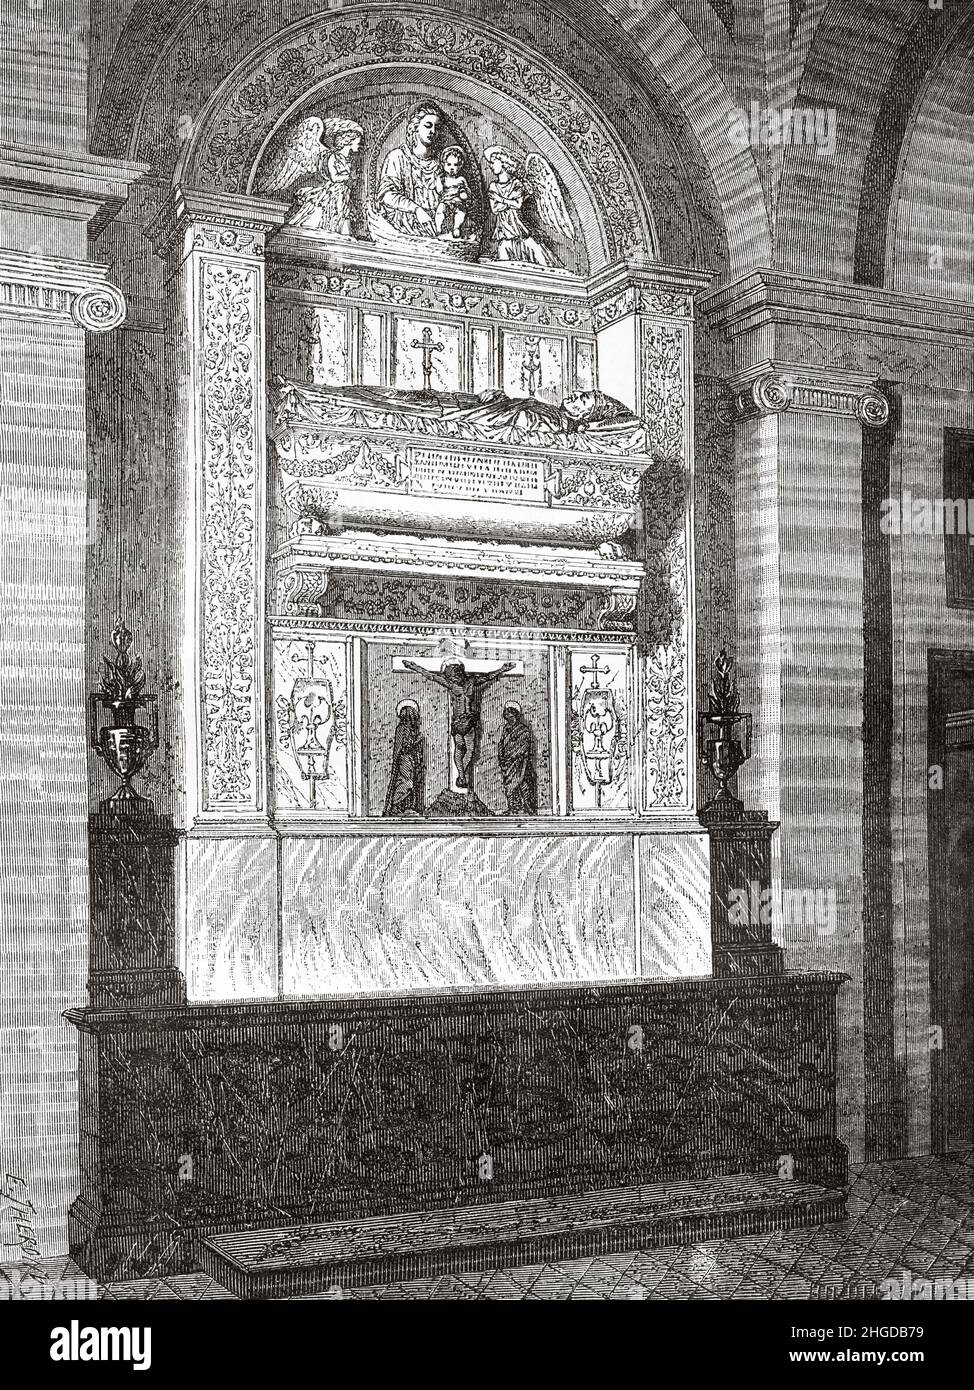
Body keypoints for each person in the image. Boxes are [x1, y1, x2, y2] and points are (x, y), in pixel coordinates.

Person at [400, 659, 517, 790]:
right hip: (460, 721)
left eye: (457, 672)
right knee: (461, 748)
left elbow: (488, 677)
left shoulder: (469, 682)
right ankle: (461, 775)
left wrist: (503, 669)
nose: (455, 675)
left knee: (469, 750)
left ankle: (461, 776)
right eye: (453, 672)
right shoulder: (455, 684)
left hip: (468, 721)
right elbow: (431, 676)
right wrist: (414, 666)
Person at [377, 104, 443, 238]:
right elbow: (387, 195)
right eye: (428, 125)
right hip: (404, 226)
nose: (433, 131)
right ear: (416, 127)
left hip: (434, 228)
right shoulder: (397, 157)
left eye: (437, 127)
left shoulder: (439, 164)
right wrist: (416, 210)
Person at [484, 146, 556, 267]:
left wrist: (500, 199)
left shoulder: (516, 183)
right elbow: (495, 209)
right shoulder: (493, 186)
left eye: (493, 162)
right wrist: (509, 202)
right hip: (504, 227)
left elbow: (517, 204)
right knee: (503, 259)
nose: (491, 166)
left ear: (503, 163)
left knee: (537, 253)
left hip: (518, 225)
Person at [498, 703, 538, 815]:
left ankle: (529, 807)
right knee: (509, 786)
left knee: (523, 784)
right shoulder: (506, 729)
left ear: (515, 715)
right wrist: (502, 756)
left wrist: (512, 755)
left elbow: (523, 747)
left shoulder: (523, 730)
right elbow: (502, 743)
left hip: (520, 763)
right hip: (507, 763)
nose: (509, 718)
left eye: (511, 715)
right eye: (507, 715)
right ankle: (513, 807)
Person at [435, 146, 471, 239]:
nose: (452, 168)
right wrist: (439, 186)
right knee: (439, 211)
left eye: (455, 165)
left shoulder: (460, 179)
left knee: (460, 212)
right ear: (443, 165)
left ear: (460, 166)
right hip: (445, 201)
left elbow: (465, 190)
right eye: (449, 164)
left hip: (457, 201)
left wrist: (463, 193)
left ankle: (456, 227)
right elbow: (439, 190)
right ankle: (438, 228)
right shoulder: (442, 178)